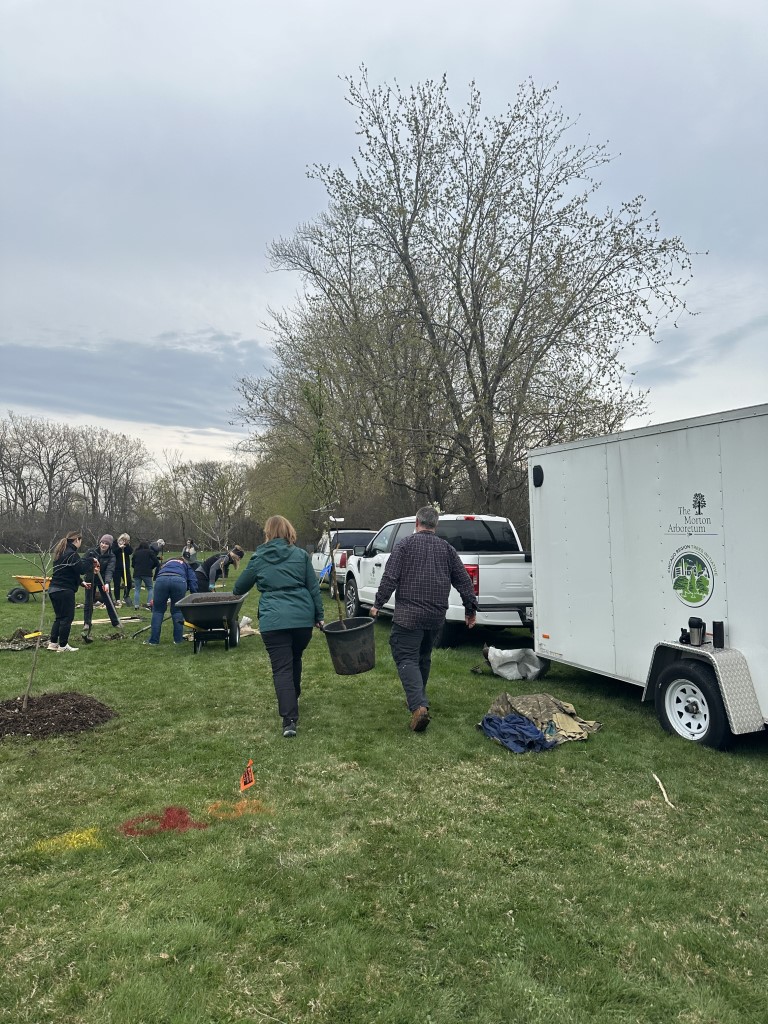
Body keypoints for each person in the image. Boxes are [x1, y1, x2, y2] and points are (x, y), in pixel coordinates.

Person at [370, 506, 477, 732]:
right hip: (435, 616)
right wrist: (470, 608)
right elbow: (464, 580)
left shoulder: (404, 546)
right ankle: (420, 699)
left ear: (416, 523)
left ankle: (418, 706)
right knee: (423, 657)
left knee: (405, 656)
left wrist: (378, 604)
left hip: (408, 615)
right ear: (435, 525)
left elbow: (390, 577)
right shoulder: (447, 549)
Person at [234, 517, 323, 738]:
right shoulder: (301, 555)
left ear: (267, 533)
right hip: (302, 619)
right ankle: (293, 698)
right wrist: (319, 616)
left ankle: (289, 719)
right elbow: (313, 587)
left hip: (274, 620)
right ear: (288, 531)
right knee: (295, 658)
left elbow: (239, 587)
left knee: (282, 667)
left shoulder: (259, 557)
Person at [46, 532, 96, 653]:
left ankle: (53, 643)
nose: (80, 543)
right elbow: (82, 569)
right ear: (76, 540)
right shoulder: (72, 554)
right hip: (64, 590)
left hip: (54, 589)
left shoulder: (61, 553)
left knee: (59, 618)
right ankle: (63, 646)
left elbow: (69, 572)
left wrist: (81, 583)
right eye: (80, 541)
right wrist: (91, 560)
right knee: (67, 618)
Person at [144, 556, 199, 646]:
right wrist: (194, 595)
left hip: (161, 580)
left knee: (157, 611)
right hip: (179, 580)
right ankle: (178, 640)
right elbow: (193, 579)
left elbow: (157, 574)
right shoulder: (185, 564)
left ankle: (153, 641)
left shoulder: (165, 564)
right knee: (177, 611)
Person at [86, 534, 116, 608]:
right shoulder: (91, 552)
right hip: (90, 578)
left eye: (106, 544)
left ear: (109, 545)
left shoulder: (111, 556)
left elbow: (109, 570)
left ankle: (114, 619)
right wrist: (92, 569)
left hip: (102, 579)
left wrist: (107, 583)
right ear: (100, 543)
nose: (103, 545)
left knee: (109, 602)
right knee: (89, 603)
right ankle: (87, 619)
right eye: (102, 543)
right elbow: (83, 563)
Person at [132, 540, 160, 609]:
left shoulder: (136, 553)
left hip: (137, 572)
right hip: (147, 572)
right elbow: (156, 562)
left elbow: (132, 564)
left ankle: (136, 605)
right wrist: (151, 567)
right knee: (150, 588)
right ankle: (149, 603)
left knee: (137, 589)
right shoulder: (149, 552)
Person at [112, 533, 133, 607]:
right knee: (116, 584)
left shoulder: (127, 546)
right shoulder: (114, 544)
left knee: (129, 582)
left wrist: (126, 547)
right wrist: (119, 548)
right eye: (125, 540)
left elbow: (130, 552)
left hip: (125, 567)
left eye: (127, 541)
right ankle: (117, 599)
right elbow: (113, 552)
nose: (126, 542)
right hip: (116, 568)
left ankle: (126, 595)